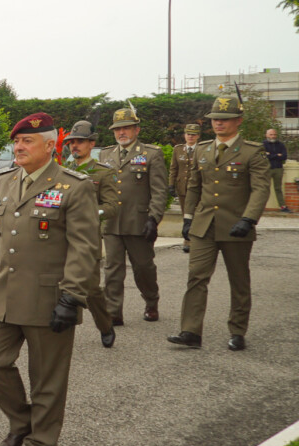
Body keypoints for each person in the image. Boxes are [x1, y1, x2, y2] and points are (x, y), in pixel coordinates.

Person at [0, 113, 99, 446]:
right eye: (17, 141)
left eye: (27, 141)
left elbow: (85, 248)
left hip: (49, 298)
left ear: (49, 145)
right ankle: (22, 421)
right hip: (3, 294)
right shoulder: (5, 183)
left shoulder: (74, 186)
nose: (19, 147)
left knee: (47, 378)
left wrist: (72, 296)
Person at [168, 96, 271, 351]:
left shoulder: (251, 151)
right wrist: (188, 218)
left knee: (239, 279)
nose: (219, 124)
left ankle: (237, 331)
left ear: (238, 120)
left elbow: (260, 189)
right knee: (196, 277)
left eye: (224, 120)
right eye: (215, 120)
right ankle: (191, 331)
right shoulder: (203, 149)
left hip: (236, 226)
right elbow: (194, 186)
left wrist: (248, 219)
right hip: (204, 225)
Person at [97, 106, 167, 324]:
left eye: (126, 128)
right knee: (112, 270)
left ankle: (151, 301)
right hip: (112, 223)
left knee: (144, 268)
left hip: (139, 222)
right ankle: (113, 312)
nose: (121, 133)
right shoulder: (105, 154)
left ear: (136, 129)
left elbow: (159, 190)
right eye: (117, 129)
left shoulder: (151, 154)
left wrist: (153, 219)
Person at [61, 121, 118, 348]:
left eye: (80, 142)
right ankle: (64, 331)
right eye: (72, 142)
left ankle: (105, 325)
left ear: (91, 144)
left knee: (92, 289)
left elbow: (112, 206)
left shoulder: (103, 172)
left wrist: (89, 213)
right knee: (62, 286)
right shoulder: (62, 171)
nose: (75, 146)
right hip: (61, 238)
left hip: (87, 239)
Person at [169, 124, 203, 252]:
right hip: (183, 187)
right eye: (188, 134)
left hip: (199, 188)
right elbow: (173, 169)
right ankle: (187, 240)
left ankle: (198, 240)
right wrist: (171, 184)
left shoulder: (202, 149)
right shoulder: (178, 149)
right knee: (186, 215)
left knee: (198, 214)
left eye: (193, 134)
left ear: (198, 136)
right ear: (184, 135)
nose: (190, 136)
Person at [262, 128, 290, 213]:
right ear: (266, 135)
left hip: (278, 168)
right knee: (264, 188)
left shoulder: (280, 145)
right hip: (267, 169)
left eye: (274, 134)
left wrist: (270, 155)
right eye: (271, 134)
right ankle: (260, 207)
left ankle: (282, 206)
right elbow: (263, 156)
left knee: (278, 188)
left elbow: (284, 156)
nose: (273, 136)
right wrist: (277, 155)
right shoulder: (263, 145)